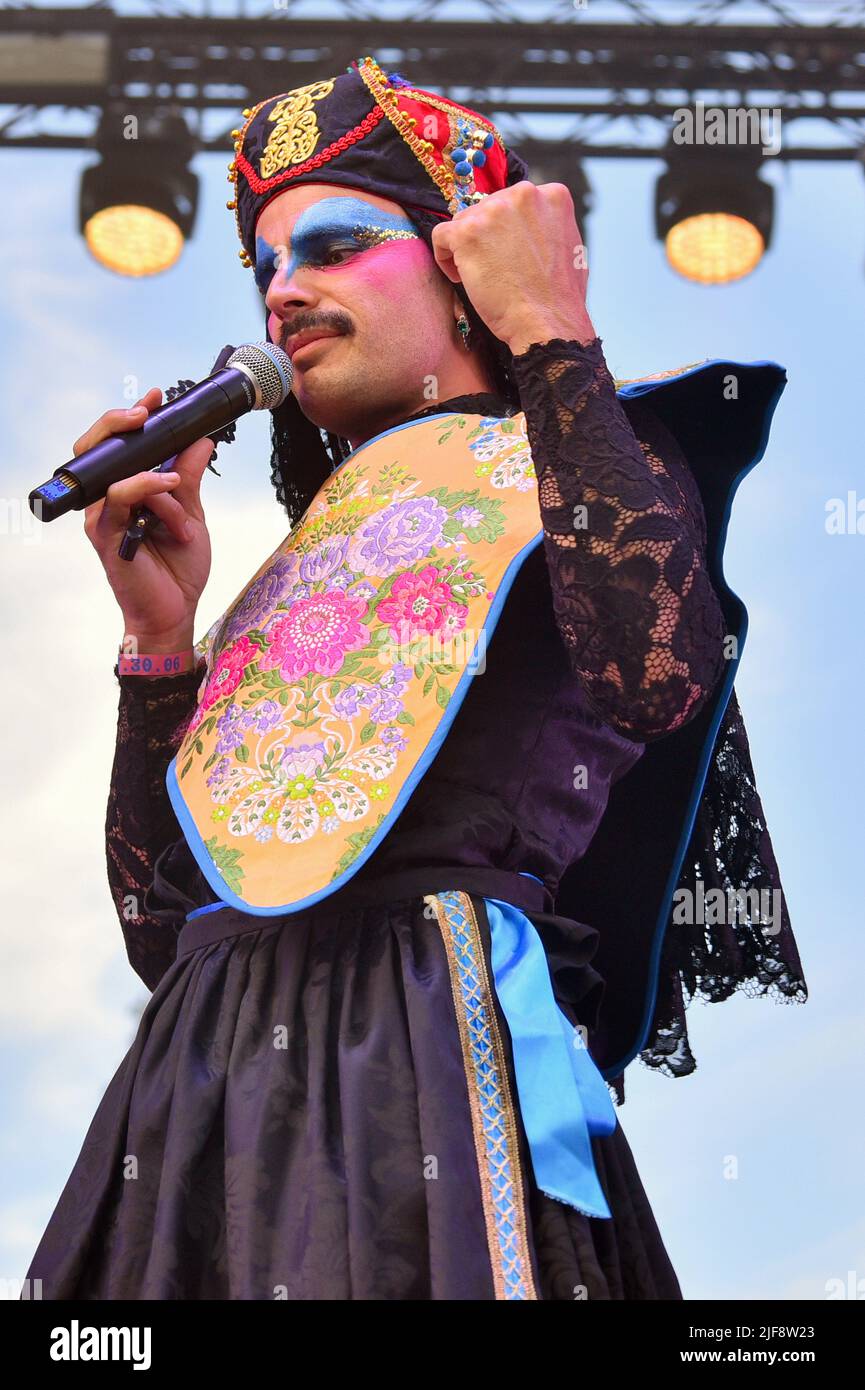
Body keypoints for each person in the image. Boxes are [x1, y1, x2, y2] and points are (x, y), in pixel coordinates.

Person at [25, 56, 806, 1301]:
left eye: (335, 244)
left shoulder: (575, 473)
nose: (285, 291)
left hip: (423, 1054)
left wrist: (550, 330)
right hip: (200, 1103)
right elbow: (168, 934)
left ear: (461, 266)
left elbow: (655, 676)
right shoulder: (282, 569)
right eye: (267, 262)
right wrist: (160, 646)